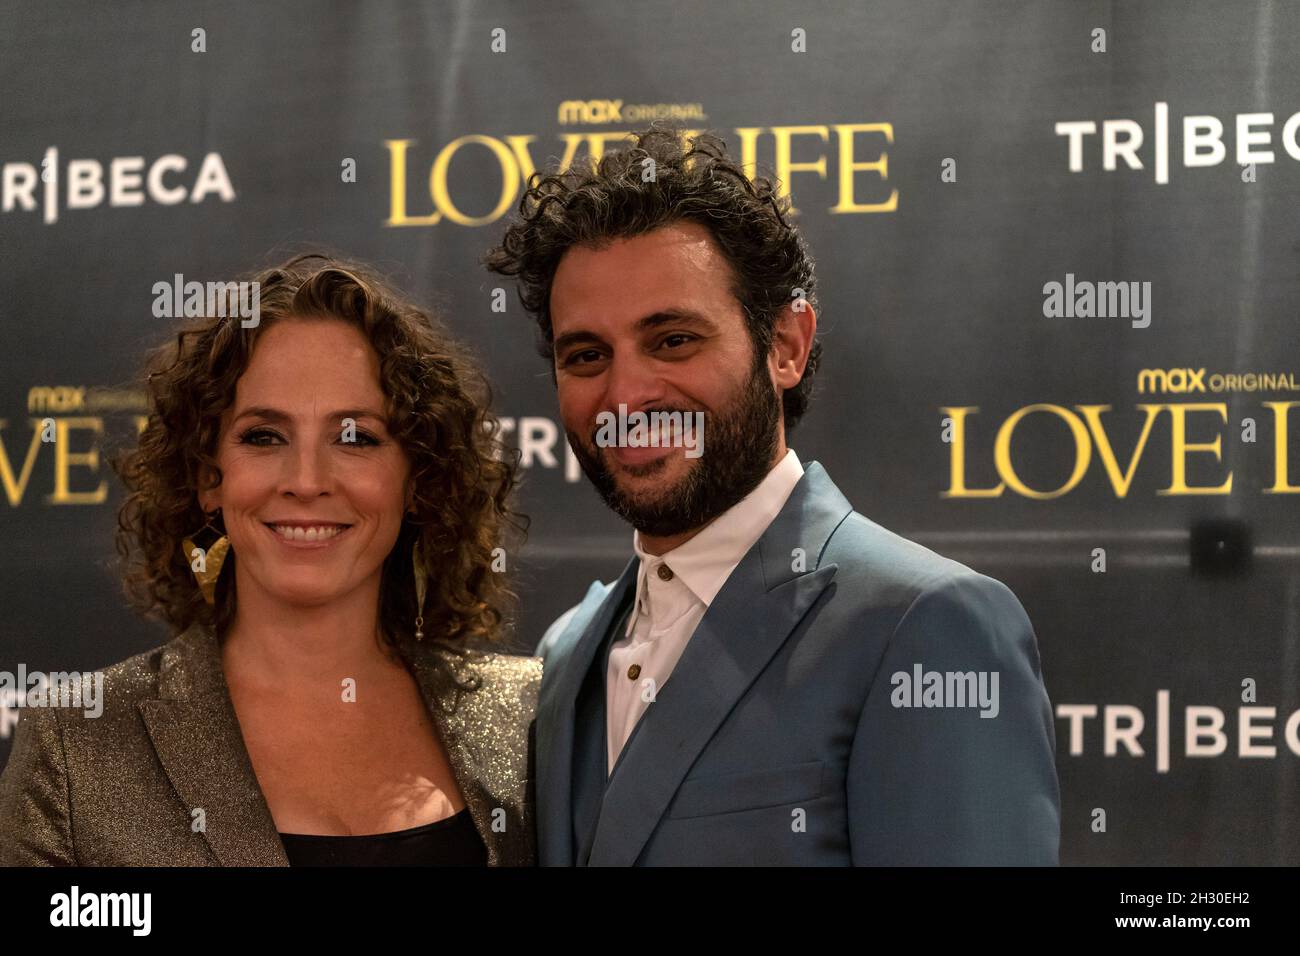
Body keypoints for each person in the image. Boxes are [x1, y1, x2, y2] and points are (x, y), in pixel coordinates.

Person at [484, 126, 1061, 866]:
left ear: (785, 346)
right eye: (588, 355)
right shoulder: (567, 650)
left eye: (673, 340)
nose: (626, 394)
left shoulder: (926, 625)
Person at [0, 253, 538, 866]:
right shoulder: (76, 743)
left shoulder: (531, 723)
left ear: (415, 479)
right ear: (208, 476)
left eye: (355, 437)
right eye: (264, 436)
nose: (306, 481)